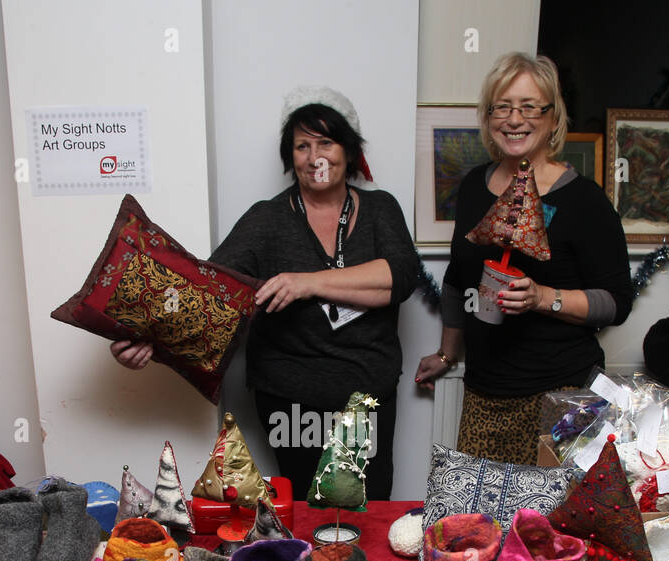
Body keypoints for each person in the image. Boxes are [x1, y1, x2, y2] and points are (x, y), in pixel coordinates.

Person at [113, 87, 421, 501]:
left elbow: (400, 277)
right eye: (301, 146)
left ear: (348, 149)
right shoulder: (266, 220)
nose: (314, 157)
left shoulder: (381, 208)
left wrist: (307, 281)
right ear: (289, 157)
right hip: (291, 397)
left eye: (325, 143)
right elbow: (208, 293)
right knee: (310, 511)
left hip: (366, 396)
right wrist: (147, 337)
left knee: (362, 505)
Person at [415, 52, 633, 467]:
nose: (515, 119)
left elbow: (617, 301)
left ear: (553, 118)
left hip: (560, 397)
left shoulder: (584, 200)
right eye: (503, 106)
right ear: (488, 116)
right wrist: (446, 355)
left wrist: (542, 297)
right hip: (484, 395)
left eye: (530, 106)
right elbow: (458, 279)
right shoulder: (474, 187)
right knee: (483, 524)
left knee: (547, 527)